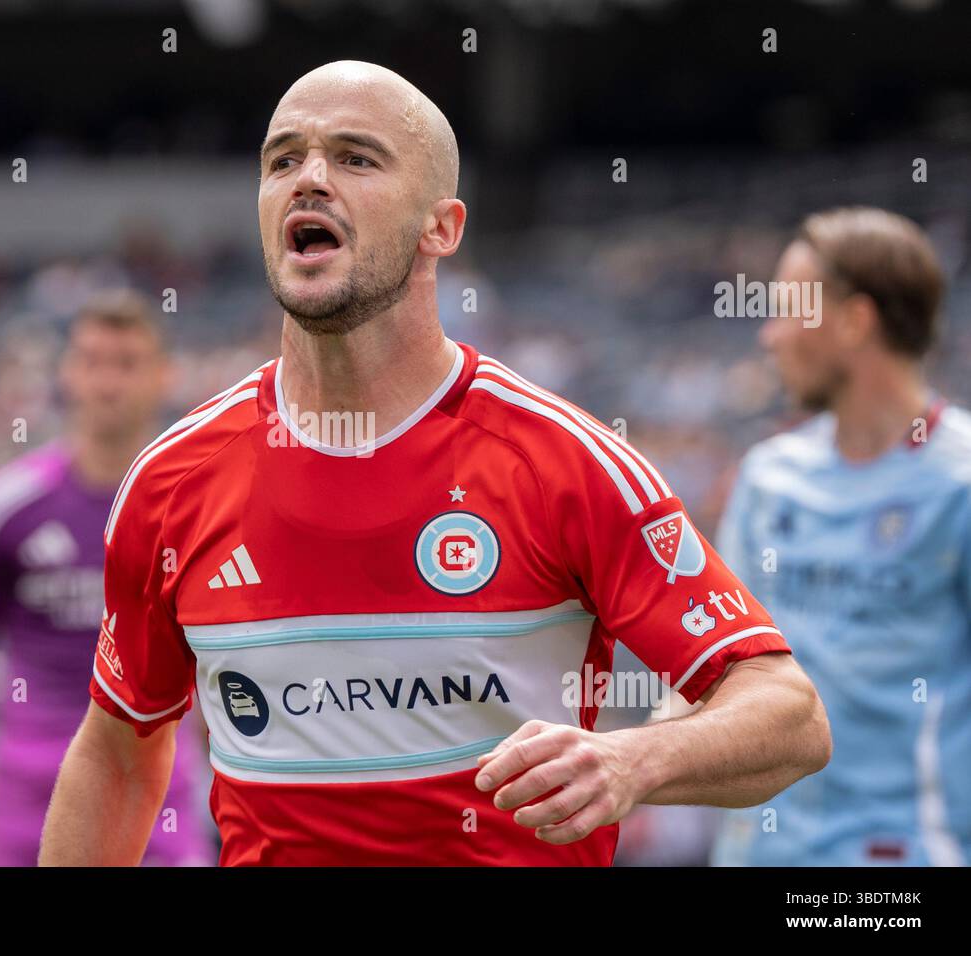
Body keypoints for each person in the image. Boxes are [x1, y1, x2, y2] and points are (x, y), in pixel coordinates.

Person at [40, 61, 830, 867]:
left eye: (355, 157)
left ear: (442, 227)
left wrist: (635, 760)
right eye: (284, 159)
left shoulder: (565, 463)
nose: (309, 178)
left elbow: (789, 716)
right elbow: (118, 753)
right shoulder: (172, 481)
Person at [0, 291, 216, 867]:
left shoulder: (196, 508)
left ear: (163, 375)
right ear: (67, 372)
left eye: (127, 363)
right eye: (92, 361)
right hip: (26, 799)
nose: (107, 382)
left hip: (155, 794)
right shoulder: (5, 507)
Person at [712, 207, 971, 866]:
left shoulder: (960, 483)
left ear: (857, 321)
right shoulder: (769, 478)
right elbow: (718, 676)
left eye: (787, 310)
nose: (768, 337)